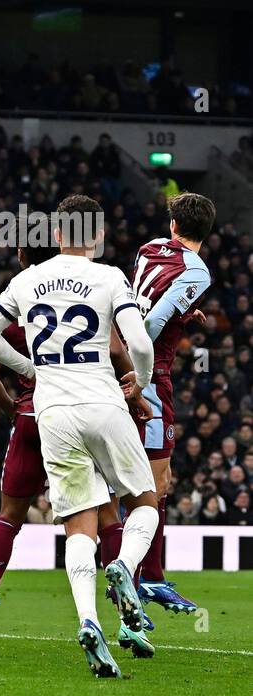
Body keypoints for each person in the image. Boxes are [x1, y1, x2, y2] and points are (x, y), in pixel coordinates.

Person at [0, 193, 161, 677]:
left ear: (56, 235)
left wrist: (30, 368)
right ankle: (123, 568)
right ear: (97, 237)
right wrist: (140, 379)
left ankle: (87, 620)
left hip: (52, 412)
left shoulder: (26, 279)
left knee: (77, 524)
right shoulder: (109, 277)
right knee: (144, 501)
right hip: (102, 401)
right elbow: (138, 342)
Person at [100, 193, 216, 617]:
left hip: (115, 368)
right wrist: (141, 371)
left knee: (135, 479)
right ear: (207, 231)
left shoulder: (148, 249)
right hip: (148, 375)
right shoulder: (198, 272)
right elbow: (148, 323)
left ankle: (146, 576)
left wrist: (186, 316)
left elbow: (137, 302)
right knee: (151, 483)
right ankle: (137, 579)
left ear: (173, 226)